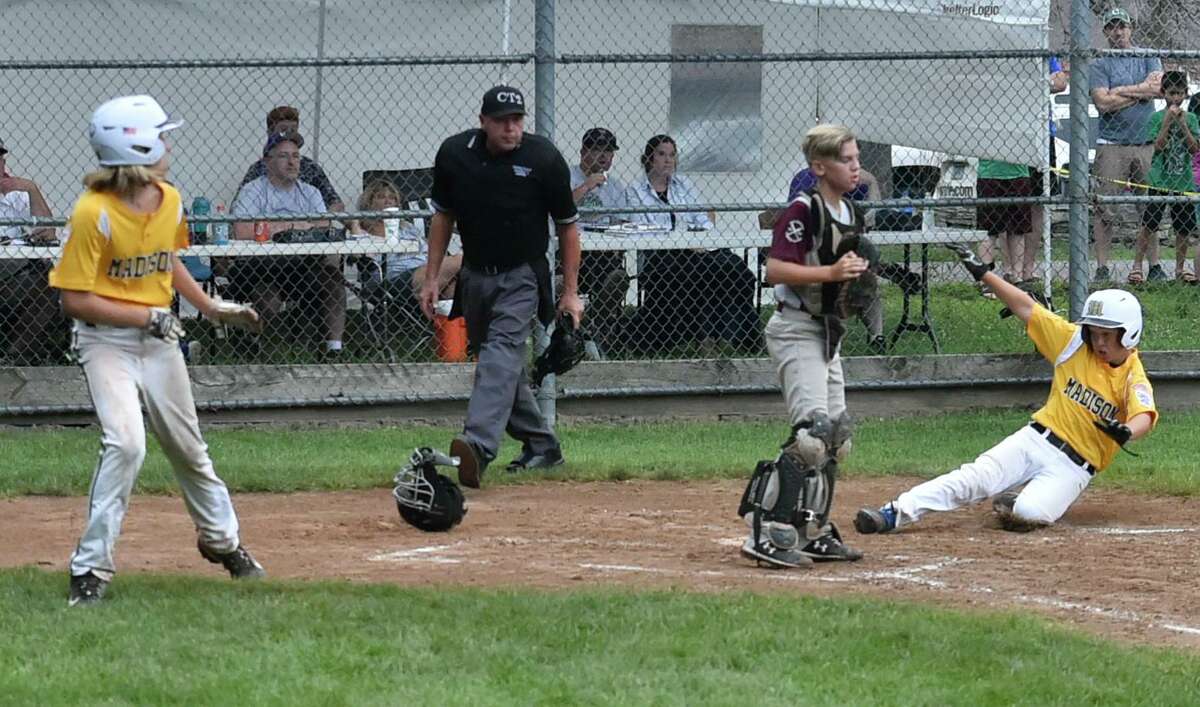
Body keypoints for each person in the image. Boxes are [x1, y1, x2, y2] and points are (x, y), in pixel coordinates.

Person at [49, 95, 265, 607]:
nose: (169, 146)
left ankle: (222, 543)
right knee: (126, 444)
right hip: (105, 341)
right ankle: (90, 568)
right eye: (161, 138)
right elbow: (73, 299)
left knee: (188, 447)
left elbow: (166, 259)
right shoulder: (93, 213)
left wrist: (210, 307)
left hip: (157, 339)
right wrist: (145, 316)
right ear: (137, 148)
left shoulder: (168, 198)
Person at [855, 244, 1156, 536]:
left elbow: (1144, 414)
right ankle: (894, 512)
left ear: (1128, 334)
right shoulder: (1074, 342)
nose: (1099, 342)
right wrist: (984, 274)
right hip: (1034, 440)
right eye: (1094, 333)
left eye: (1107, 335)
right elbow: (1025, 306)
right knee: (975, 478)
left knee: (1028, 513)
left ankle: (1021, 500)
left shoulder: (1133, 375)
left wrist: (1126, 431)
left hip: (1073, 468)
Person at [419, 85, 582, 487]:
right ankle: (542, 445)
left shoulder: (543, 158)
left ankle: (477, 446)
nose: (511, 128)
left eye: (517, 120)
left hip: (523, 276)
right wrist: (433, 277)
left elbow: (568, 227)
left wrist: (570, 292)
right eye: (501, 121)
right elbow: (443, 217)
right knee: (500, 365)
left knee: (500, 354)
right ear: (483, 122)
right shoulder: (455, 154)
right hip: (474, 274)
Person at [738, 124, 872, 569]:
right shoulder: (803, 209)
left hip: (828, 331)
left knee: (837, 438)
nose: (855, 167)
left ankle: (811, 529)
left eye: (856, 158)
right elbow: (775, 269)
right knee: (812, 437)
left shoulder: (850, 212)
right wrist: (830, 275)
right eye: (845, 160)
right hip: (796, 329)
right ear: (819, 167)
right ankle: (766, 532)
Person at [623, 134, 760, 353]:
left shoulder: (683, 185)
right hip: (662, 253)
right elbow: (641, 228)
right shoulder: (635, 191)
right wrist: (681, 240)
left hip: (698, 247)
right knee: (700, 273)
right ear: (649, 159)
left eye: (672, 155)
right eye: (661, 154)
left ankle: (740, 336)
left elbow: (702, 218)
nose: (668, 160)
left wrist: (702, 237)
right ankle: (705, 336)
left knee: (737, 269)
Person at [228, 130, 348, 357]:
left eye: (296, 156)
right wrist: (295, 225)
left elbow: (323, 226)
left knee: (333, 282)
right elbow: (242, 231)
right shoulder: (253, 190)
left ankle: (334, 350)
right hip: (263, 267)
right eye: (284, 156)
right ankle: (253, 339)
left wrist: (272, 227)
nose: (292, 162)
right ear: (267, 162)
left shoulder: (310, 192)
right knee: (269, 300)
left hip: (304, 265)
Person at [1089, 7, 1164, 283]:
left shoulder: (1147, 56)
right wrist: (1139, 91)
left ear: (1131, 28)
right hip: (1111, 145)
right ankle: (1102, 268)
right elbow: (1103, 103)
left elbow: (1157, 89)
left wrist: (1120, 90)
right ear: (1106, 31)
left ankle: (1153, 266)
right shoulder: (1100, 63)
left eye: (1122, 26)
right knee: (1105, 208)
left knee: (1149, 208)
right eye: (1112, 26)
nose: (1118, 32)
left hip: (1146, 144)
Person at [0, 136, 67, 363]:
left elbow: (48, 233)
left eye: (0, 159)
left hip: (16, 272)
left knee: (50, 284)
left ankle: (15, 355)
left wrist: (32, 189)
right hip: (9, 270)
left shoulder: (16, 193)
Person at [352, 179, 461, 316]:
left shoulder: (407, 227)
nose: (388, 201)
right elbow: (359, 255)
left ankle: (449, 328)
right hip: (393, 278)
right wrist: (354, 224)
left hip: (425, 269)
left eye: (392, 198)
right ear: (368, 203)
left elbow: (427, 249)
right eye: (381, 197)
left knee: (454, 288)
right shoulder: (363, 231)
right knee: (460, 260)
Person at [1135, 70, 1199, 285]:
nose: (1176, 98)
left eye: (1180, 93)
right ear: (1163, 93)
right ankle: (1137, 266)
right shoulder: (1155, 118)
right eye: (1171, 93)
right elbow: (1159, 146)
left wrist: (1182, 124)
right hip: (1159, 180)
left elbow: (1194, 149)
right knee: (1149, 224)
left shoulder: (1191, 118)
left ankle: (1179, 269)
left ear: (1185, 94)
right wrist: (1167, 122)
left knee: (1183, 228)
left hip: (1183, 181)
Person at [570, 127, 629, 351]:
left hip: (604, 253)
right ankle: (588, 327)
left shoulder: (615, 186)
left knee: (619, 278)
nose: (604, 156)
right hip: (571, 253)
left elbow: (622, 222)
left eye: (609, 151)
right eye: (597, 150)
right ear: (583, 152)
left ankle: (589, 322)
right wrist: (586, 186)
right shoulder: (568, 176)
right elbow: (560, 208)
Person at [239, 105, 343, 212]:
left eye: (293, 130)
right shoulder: (258, 169)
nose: (288, 133)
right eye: (283, 130)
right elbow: (240, 207)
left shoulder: (311, 168)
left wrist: (323, 216)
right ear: (270, 132)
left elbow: (335, 202)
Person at [974, 158, 1033, 291]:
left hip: (1019, 173)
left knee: (1018, 230)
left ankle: (1017, 276)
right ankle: (986, 278)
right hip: (989, 174)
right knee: (988, 231)